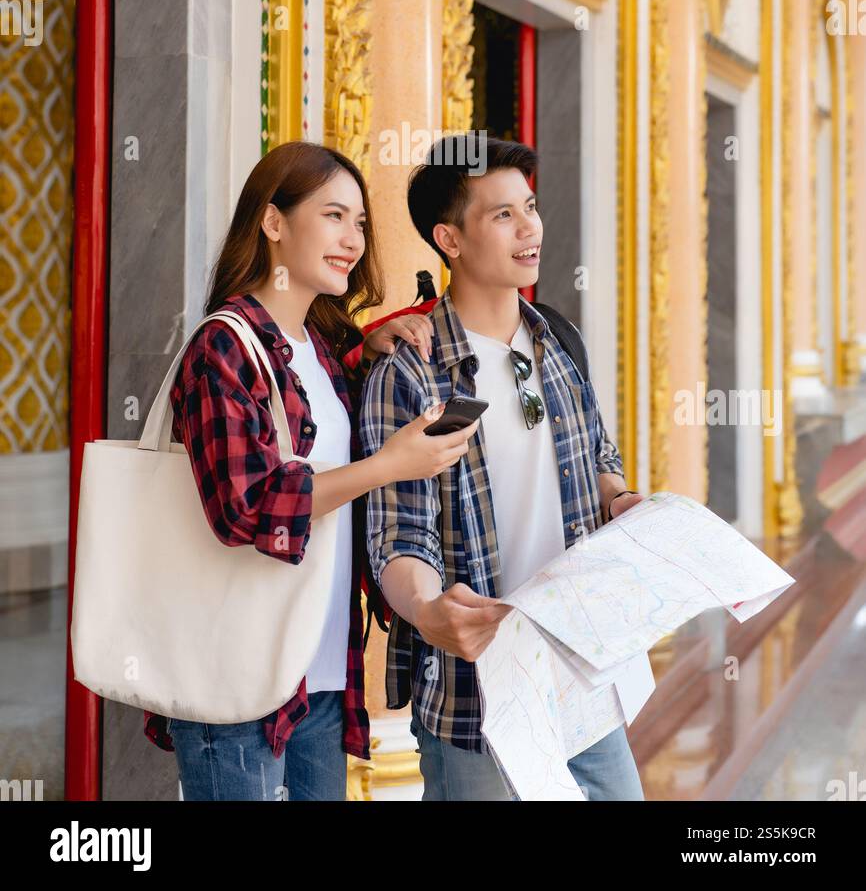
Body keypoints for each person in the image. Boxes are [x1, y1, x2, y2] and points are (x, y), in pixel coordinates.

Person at [142, 140, 477, 801]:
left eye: (359, 223)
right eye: (332, 216)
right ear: (272, 222)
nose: (352, 239)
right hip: (237, 680)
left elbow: (311, 439)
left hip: (320, 676)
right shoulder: (223, 348)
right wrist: (386, 465)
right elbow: (246, 506)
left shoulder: (322, 350)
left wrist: (365, 346)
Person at [360, 134, 646, 801]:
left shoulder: (556, 341)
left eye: (531, 207)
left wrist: (620, 496)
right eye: (503, 215)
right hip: (477, 700)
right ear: (450, 239)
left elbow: (598, 452)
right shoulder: (409, 373)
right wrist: (428, 609)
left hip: (580, 673)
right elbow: (399, 534)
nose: (530, 229)